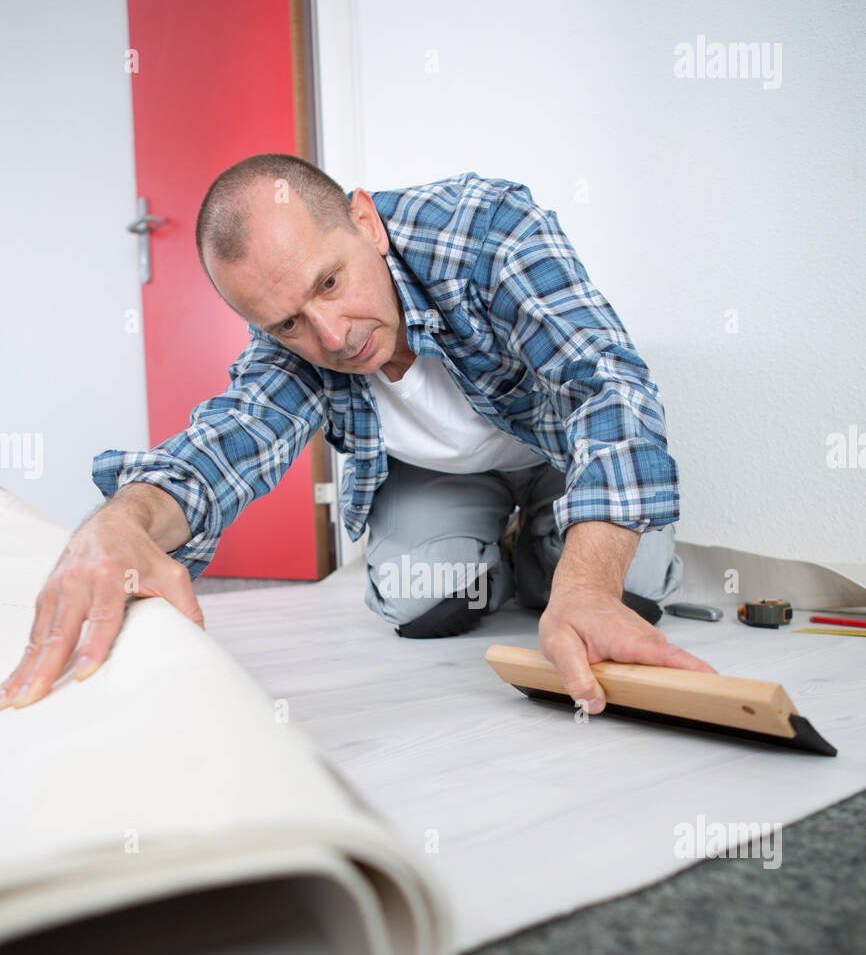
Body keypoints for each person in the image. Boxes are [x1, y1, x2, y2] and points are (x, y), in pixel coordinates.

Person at [0, 154, 716, 714]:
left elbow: (607, 384)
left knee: (623, 591)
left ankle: (547, 552)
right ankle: (506, 546)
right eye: (286, 324)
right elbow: (233, 436)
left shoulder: (487, 227)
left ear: (366, 223)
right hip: (446, 477)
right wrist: (123, 520)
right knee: (421, 598)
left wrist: (587, 584)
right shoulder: (295, 338)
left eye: (331, 284)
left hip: (560, 452)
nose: (333, 338)